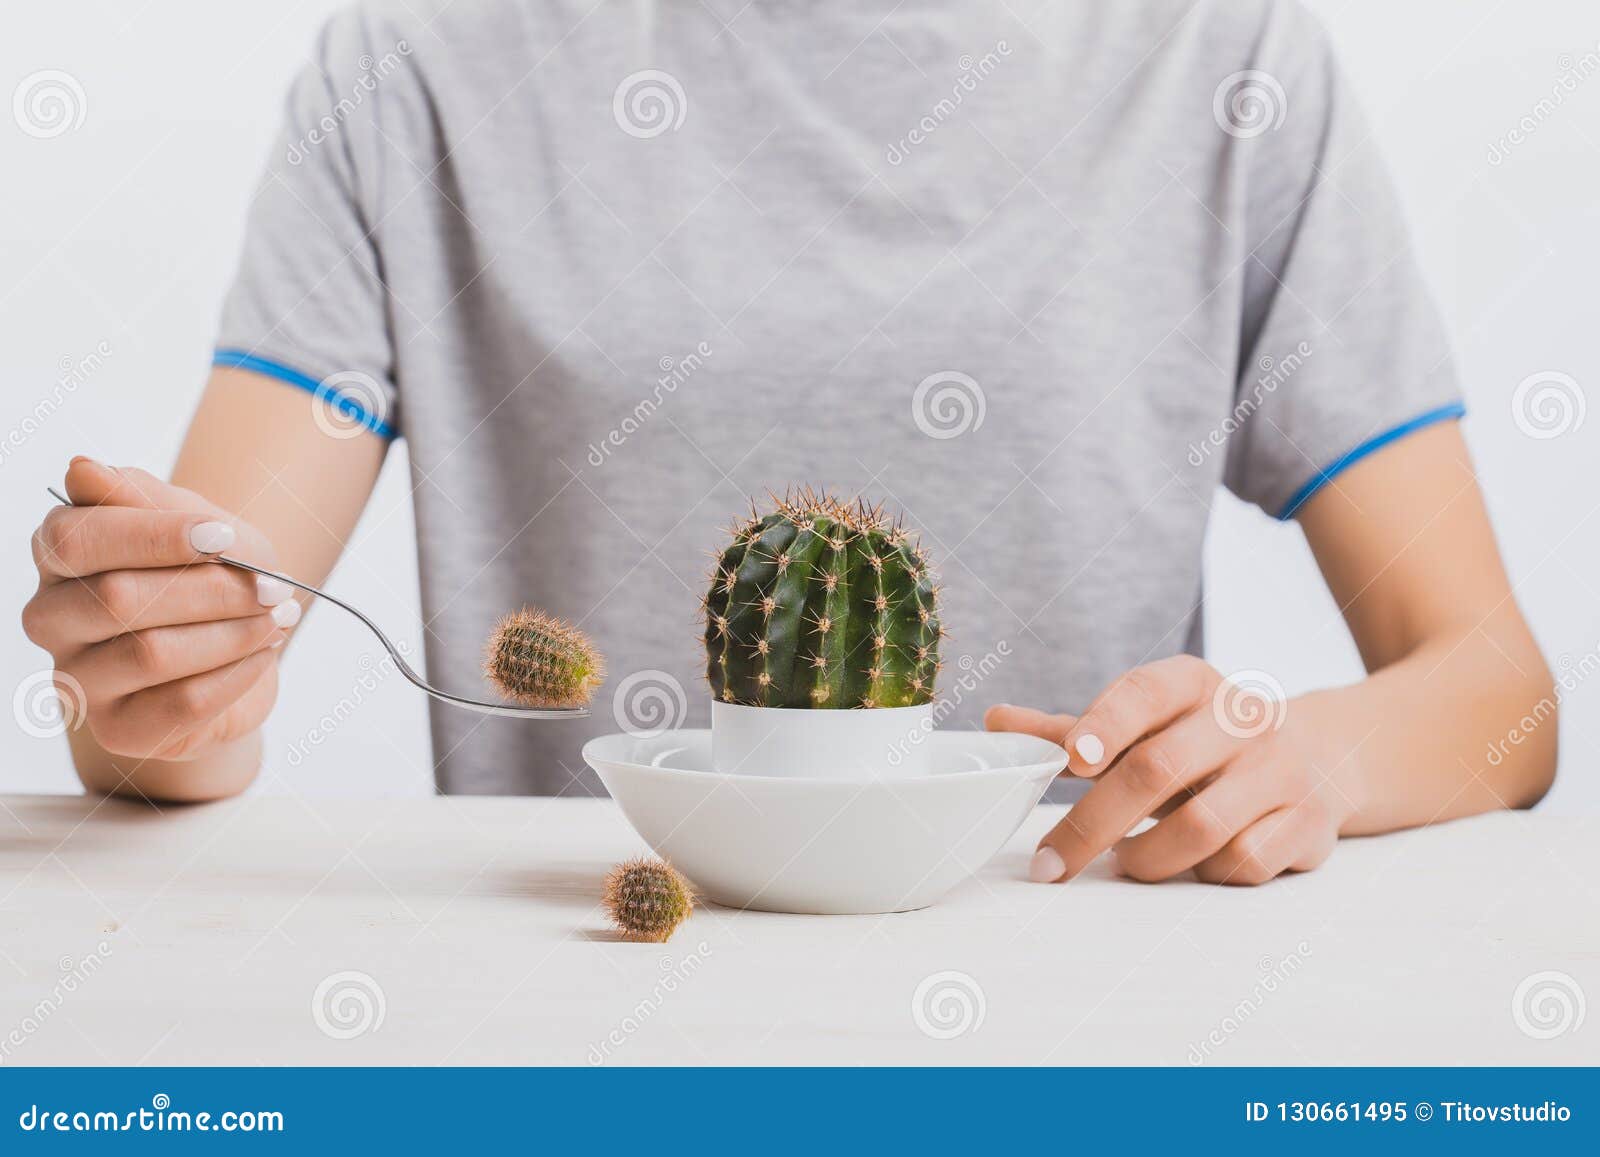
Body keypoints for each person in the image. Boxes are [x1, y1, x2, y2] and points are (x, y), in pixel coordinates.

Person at [21, 0, 1554, 886]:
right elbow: (187, 664)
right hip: (586, 1026)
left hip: (1081, 1026)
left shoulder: (1222, 53)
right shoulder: (419, 61)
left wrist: (1305, 757)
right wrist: (150, 677)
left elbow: (1496, 690)